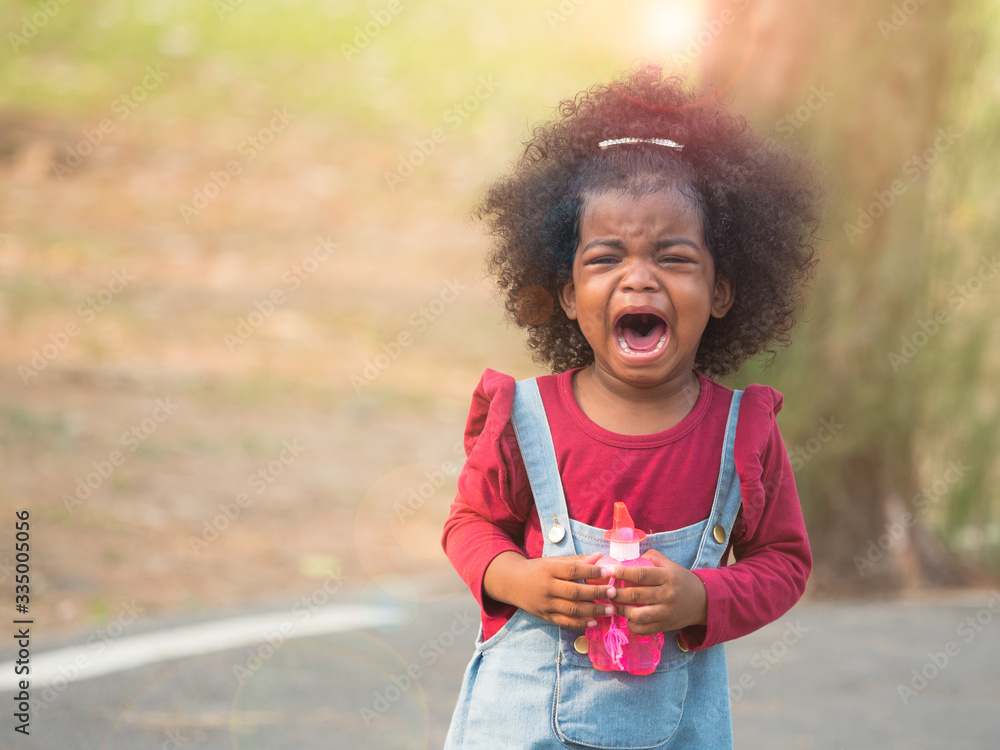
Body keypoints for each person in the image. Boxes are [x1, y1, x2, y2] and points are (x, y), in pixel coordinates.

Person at [440, 65, 821, 749]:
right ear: (565, 295)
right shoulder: (525, 417)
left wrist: (703, 597)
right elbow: (470, 526)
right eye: (606, 258)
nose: (638, 277)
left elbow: (784, 562)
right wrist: (520, 579)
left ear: (723, 291)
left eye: (673, 258)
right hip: (520, 725)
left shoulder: (742, 432)